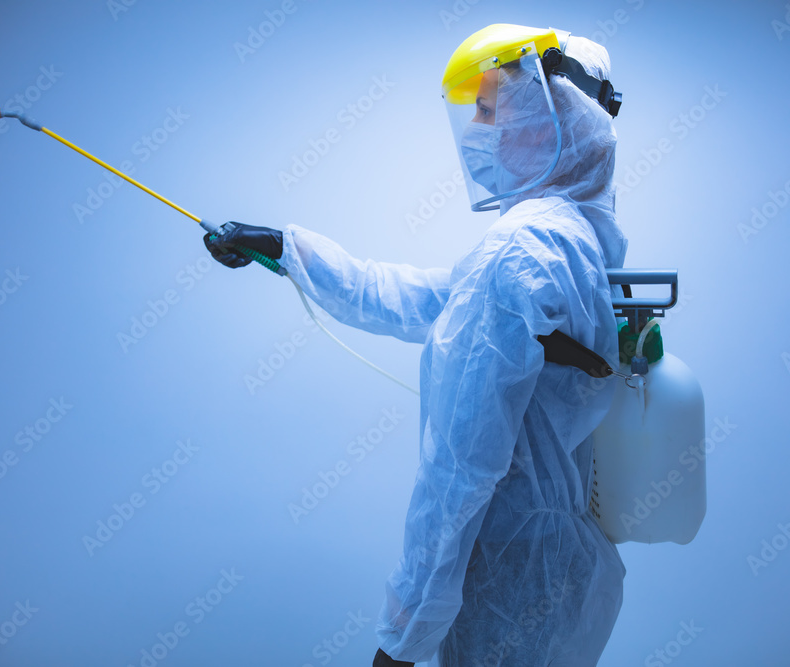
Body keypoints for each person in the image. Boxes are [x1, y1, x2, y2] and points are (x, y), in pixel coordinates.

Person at [205, 23, 629, 667]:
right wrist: (287, 249)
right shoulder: (575, 240)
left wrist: (402, 641)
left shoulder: (520, 252)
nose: (480, 129)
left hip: (507, 587)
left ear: (548, 115)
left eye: (490, 108)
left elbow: (460, 471)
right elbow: (414, 299)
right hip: (564, 572)